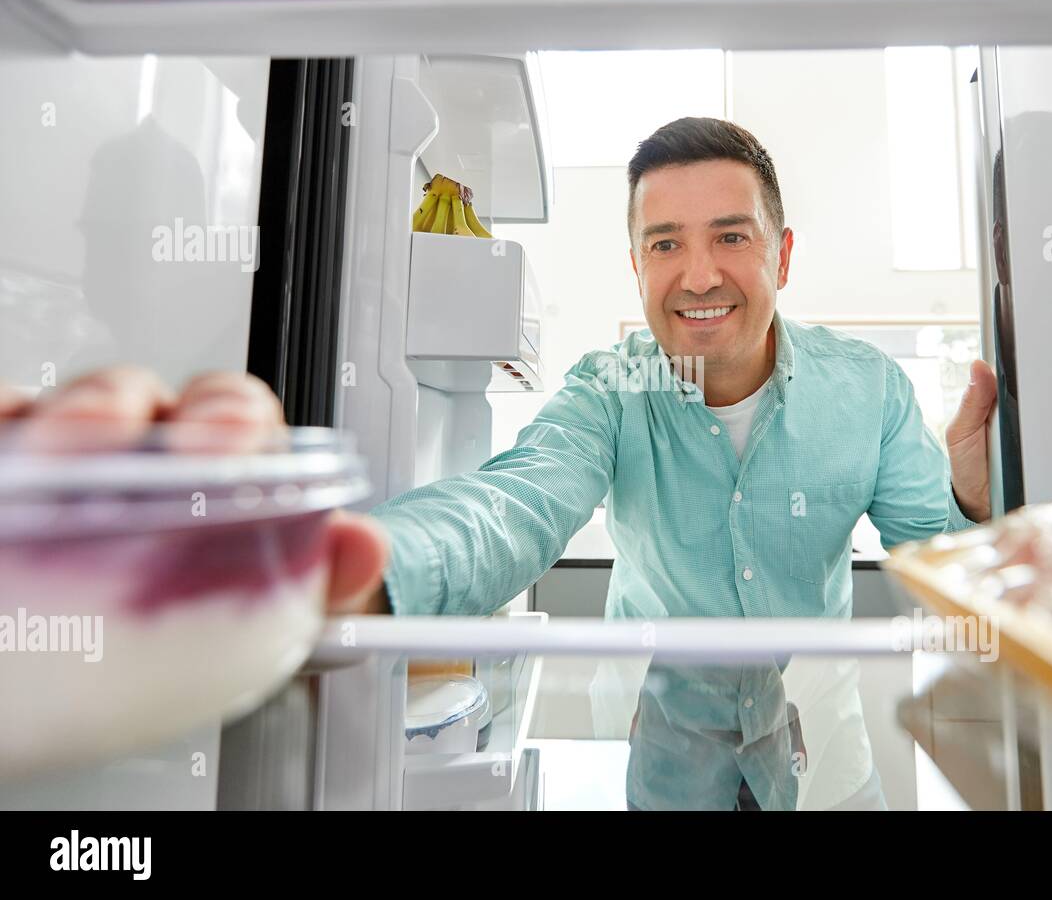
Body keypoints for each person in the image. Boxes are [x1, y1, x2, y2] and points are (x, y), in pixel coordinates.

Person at [0, 117, 996, 809]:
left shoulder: (865, 389)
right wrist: (342, 564)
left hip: (819, 752)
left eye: (730, 237)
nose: (698, 274)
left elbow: (941, 570)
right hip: (650, 747)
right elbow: (514, 501)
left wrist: (969, 494)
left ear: (781, 255)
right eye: (664, 243)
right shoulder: (613, 386)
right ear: (637, 265)